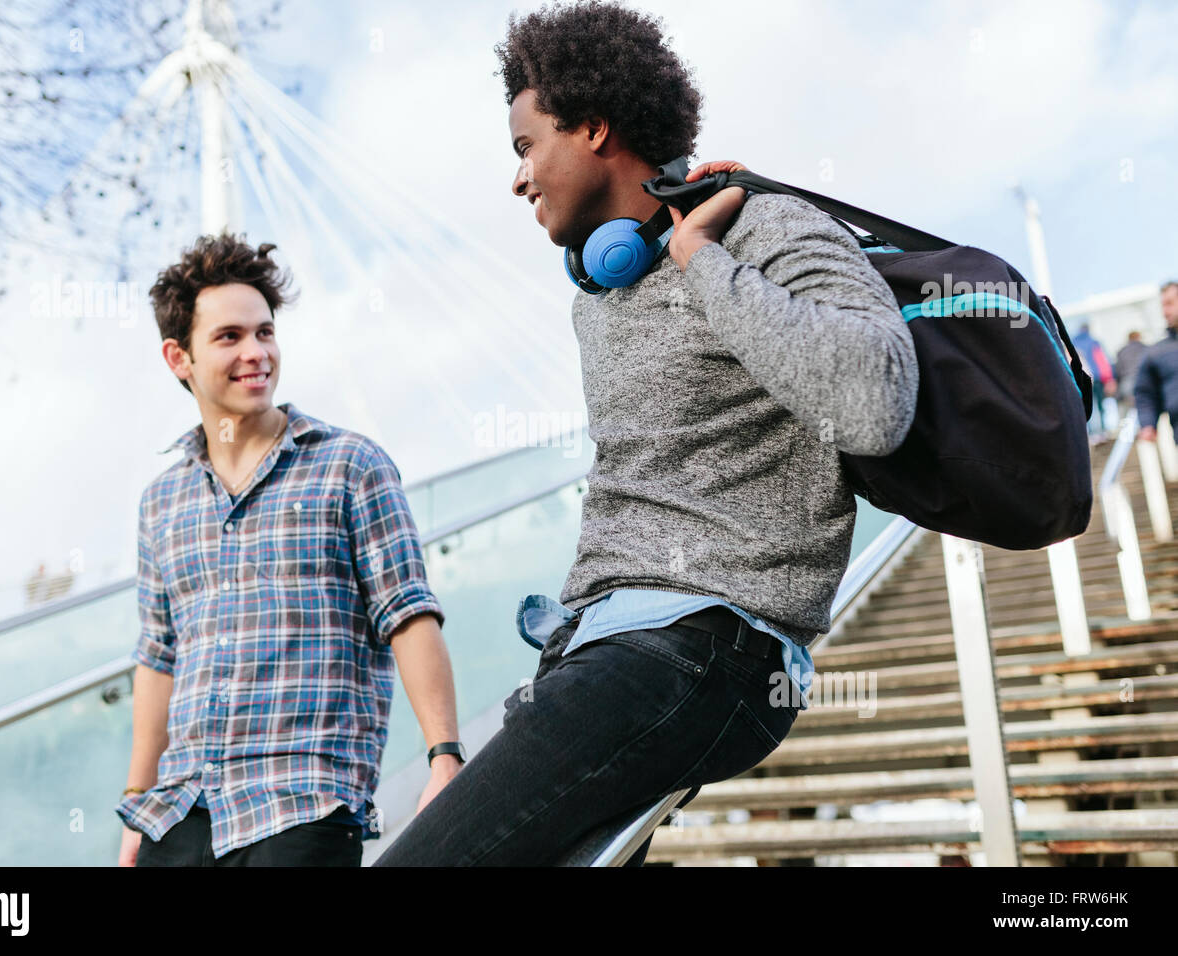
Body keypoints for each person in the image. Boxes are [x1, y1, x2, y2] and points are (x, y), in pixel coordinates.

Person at [374, 0, 918, 866]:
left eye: (525, 147)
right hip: (605, 650)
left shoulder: (763, 226)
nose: (517, 179)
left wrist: (703, 259)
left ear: (593, 127)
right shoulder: (602, 296)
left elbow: (875, 403)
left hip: (703, 647)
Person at [116, 234, 462, 866]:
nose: (256, 352)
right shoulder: (160, 500)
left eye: (265, 332)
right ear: (178, 357)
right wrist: (137, 805)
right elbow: (158, 657)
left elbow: (408, 613)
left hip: (302, 805)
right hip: (178, 814)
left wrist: (444, 755)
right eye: (229, 337)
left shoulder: (351, 465)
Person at [1136, 281, 1178, 444]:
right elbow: (1145, 391)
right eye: (1163, 306)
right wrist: (1147, 423)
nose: (1164, 312)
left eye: (1169, 304)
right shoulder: (1157, 353)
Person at [1071, 322, 1116, 441]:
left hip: (1082, 379)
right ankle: (1103, 431)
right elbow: (1101, 361)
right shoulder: (1094, 342)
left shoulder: (1074, 342)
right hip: (1097, 378)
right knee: (1100, 406)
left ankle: (1091, 434)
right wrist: (1108, 379)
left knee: (1087, 405)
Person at [1113, 330, 1147, 414]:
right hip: (1143, 381)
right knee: (1144, 408)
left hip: (1126, 383)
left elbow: (1117, 371)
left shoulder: (1121, 351)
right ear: (1139, 337)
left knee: (1129, 411)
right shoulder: (1146, 349)